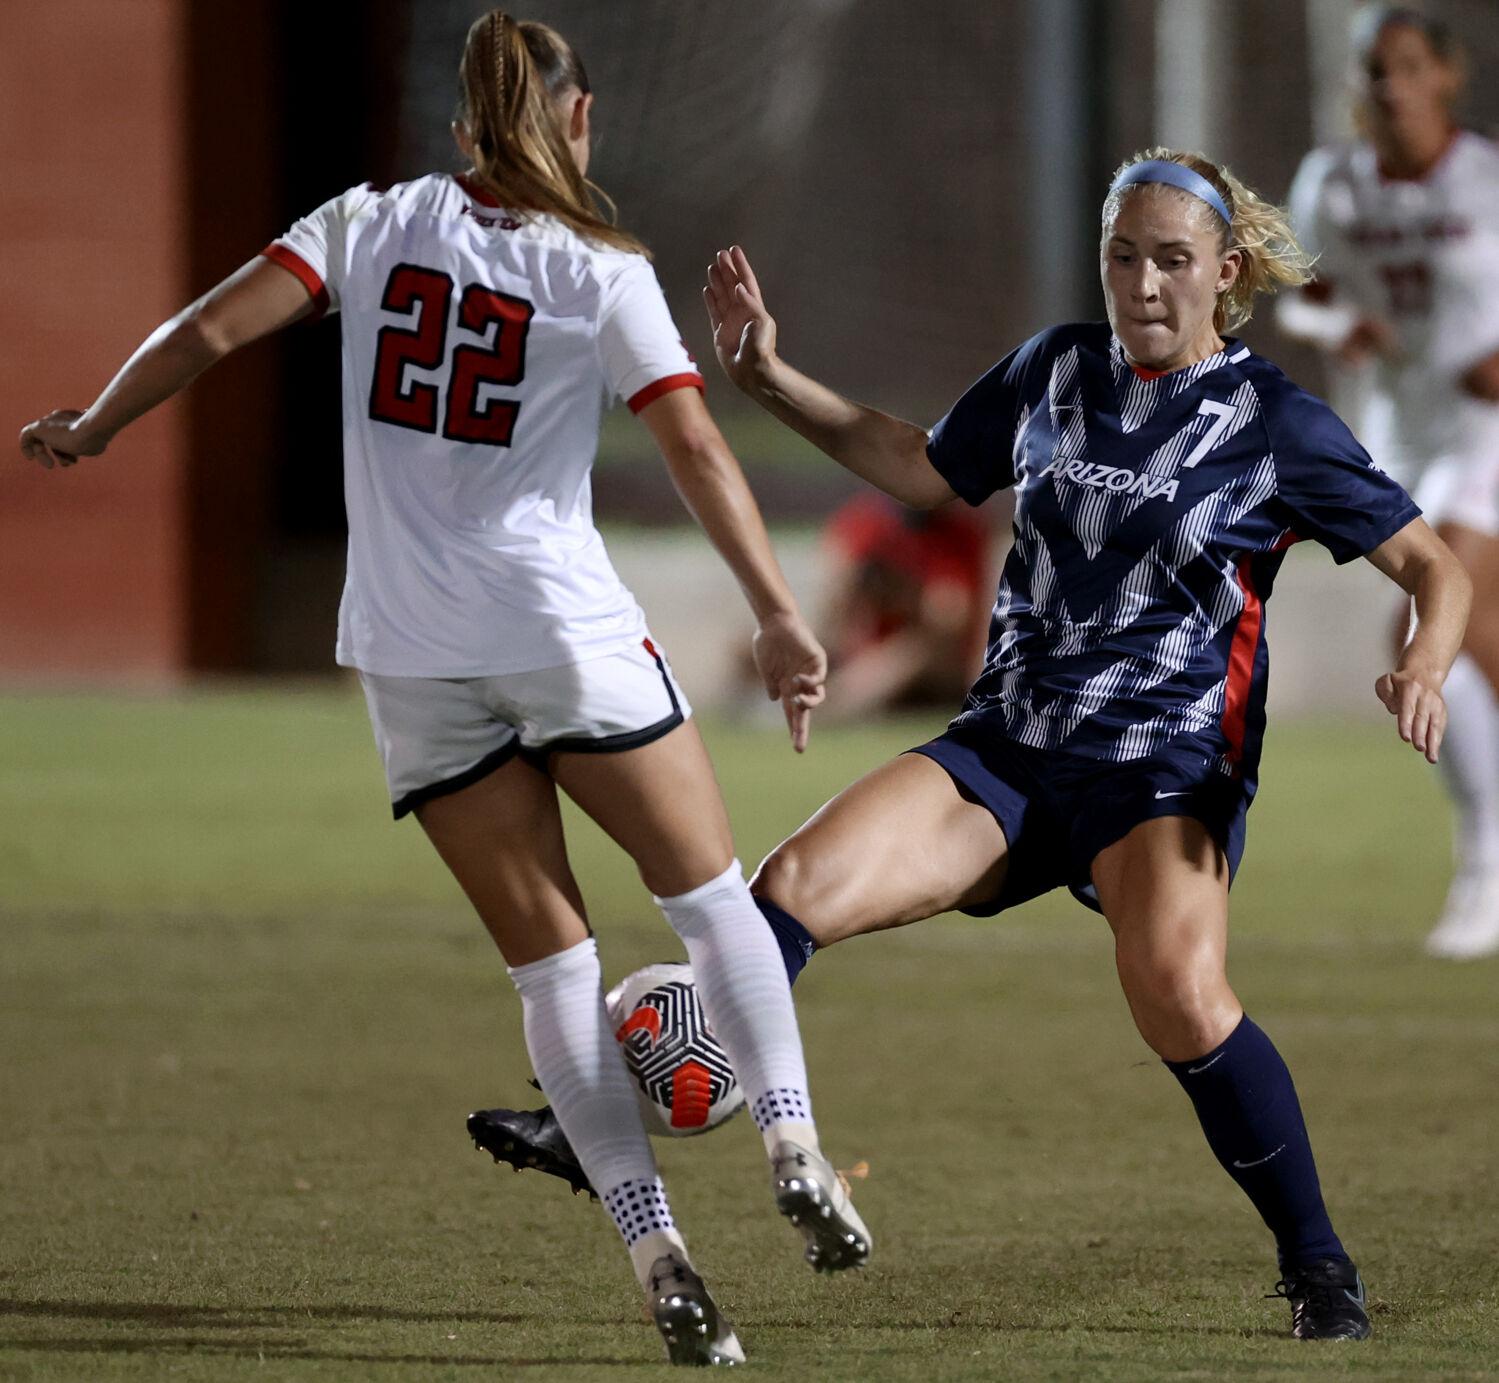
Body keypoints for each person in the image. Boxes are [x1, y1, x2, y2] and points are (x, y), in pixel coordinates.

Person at [469, 146, 1473, 1342]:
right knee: (780, 893)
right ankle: (598, 1125)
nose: (1141, 283)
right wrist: (768, 375)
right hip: (1006, 744)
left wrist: (1419, 659)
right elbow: (919, 463)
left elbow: (1433, 567)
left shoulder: (1276, 423)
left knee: (1179, 996)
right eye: (1120, 255)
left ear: (1226, 271)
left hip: (1159, 769)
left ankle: (1317, 1267)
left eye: (1170, 260)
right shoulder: (1053, 369)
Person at [17, 10, 870, 1368]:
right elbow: (693, 434)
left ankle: (656, 1252)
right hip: (558, 631)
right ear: (578, 120)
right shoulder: (598, 263)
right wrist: (774, 608)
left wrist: (97, 420)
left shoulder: (368, 221)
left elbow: (207, 326)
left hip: (410, 654)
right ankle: (793, 1146)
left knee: (553, 968)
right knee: (709, 900)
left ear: (463, 125)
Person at [1280, 6, 1499, 959]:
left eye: (1407, 67)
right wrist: (1342, 333)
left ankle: (1485, 867)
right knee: (1480, 635)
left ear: (1445, 78)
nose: (1388, 85)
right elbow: (1302, 300)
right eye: (1375, 68)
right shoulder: (1333, 182)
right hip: (1393, 435)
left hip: (1485, 428)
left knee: (1423, 626)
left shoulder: (1486, 178)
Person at [815, 493, 993, 715]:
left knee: (918, 650)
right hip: (866, 650)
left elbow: (950, 617)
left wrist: (901, 593)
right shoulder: (866, 523)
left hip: (938, 666)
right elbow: (836, 595)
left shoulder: (961, 533)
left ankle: (832, 705)